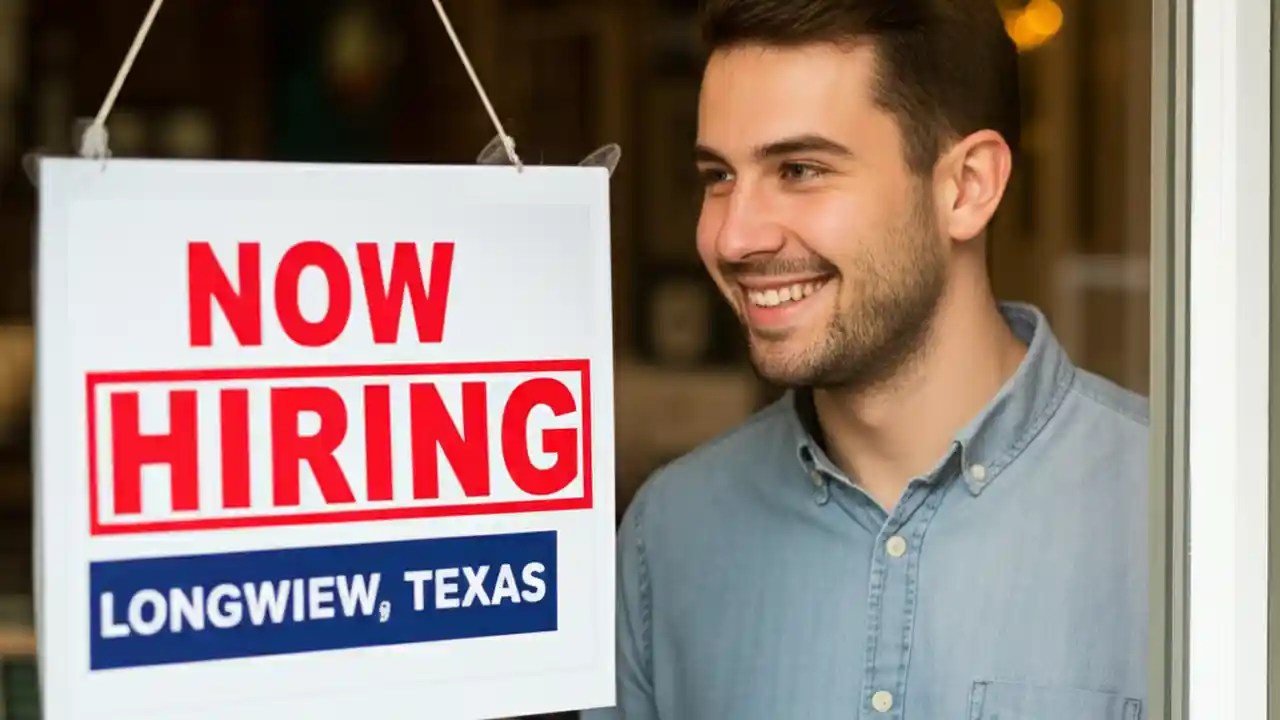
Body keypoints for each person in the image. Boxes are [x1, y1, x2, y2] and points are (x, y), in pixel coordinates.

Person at [583, 0, 1149, 717]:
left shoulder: (1178, 511)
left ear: (967, 186)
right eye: (718, 176)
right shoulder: (666, 538)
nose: (733, 237)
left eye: (799, 169)